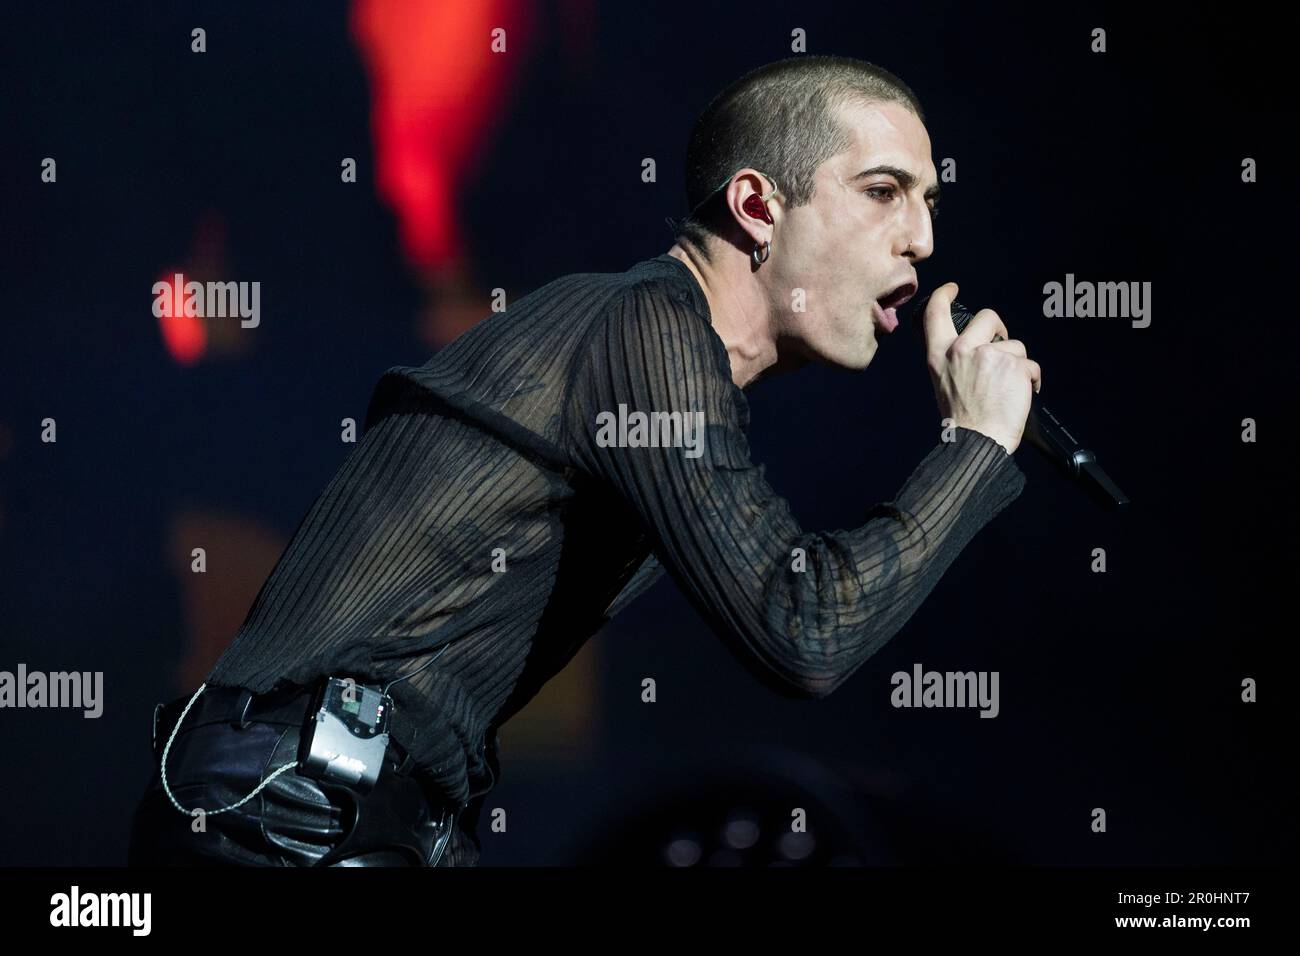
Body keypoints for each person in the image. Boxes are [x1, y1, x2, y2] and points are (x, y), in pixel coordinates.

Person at [127, 54, 1041, 867]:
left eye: (929, 202)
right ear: (759, 206)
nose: (921, 237)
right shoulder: (646, 328)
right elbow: (803, 628)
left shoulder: (650, 346)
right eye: (885, 191)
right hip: (292, 824)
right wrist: (976, 445)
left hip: (337, 819)